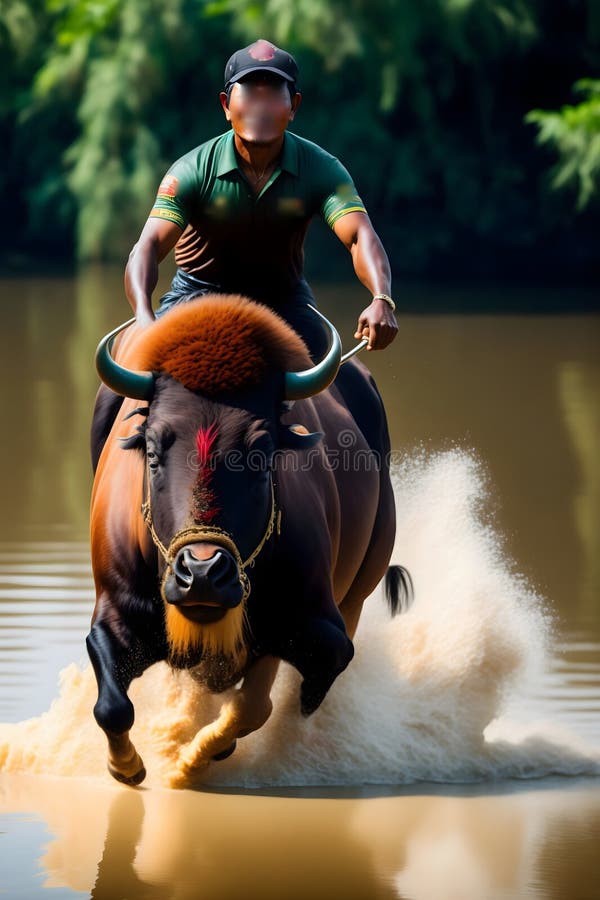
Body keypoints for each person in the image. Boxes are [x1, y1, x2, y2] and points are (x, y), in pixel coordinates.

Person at [91, 39, 398, 469]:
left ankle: (374, 511)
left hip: (283, 304)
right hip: (196, 299)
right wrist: (144, 318)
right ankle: (104, 499)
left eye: (275, 92)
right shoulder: (192, 170)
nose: (261, 103)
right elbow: (148, 247)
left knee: (354, 387)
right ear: (225, 103)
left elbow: (358, 236)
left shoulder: (321, 169)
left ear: (294, 106)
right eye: (249, 91)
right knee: (114, 393)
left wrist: (381, 297)